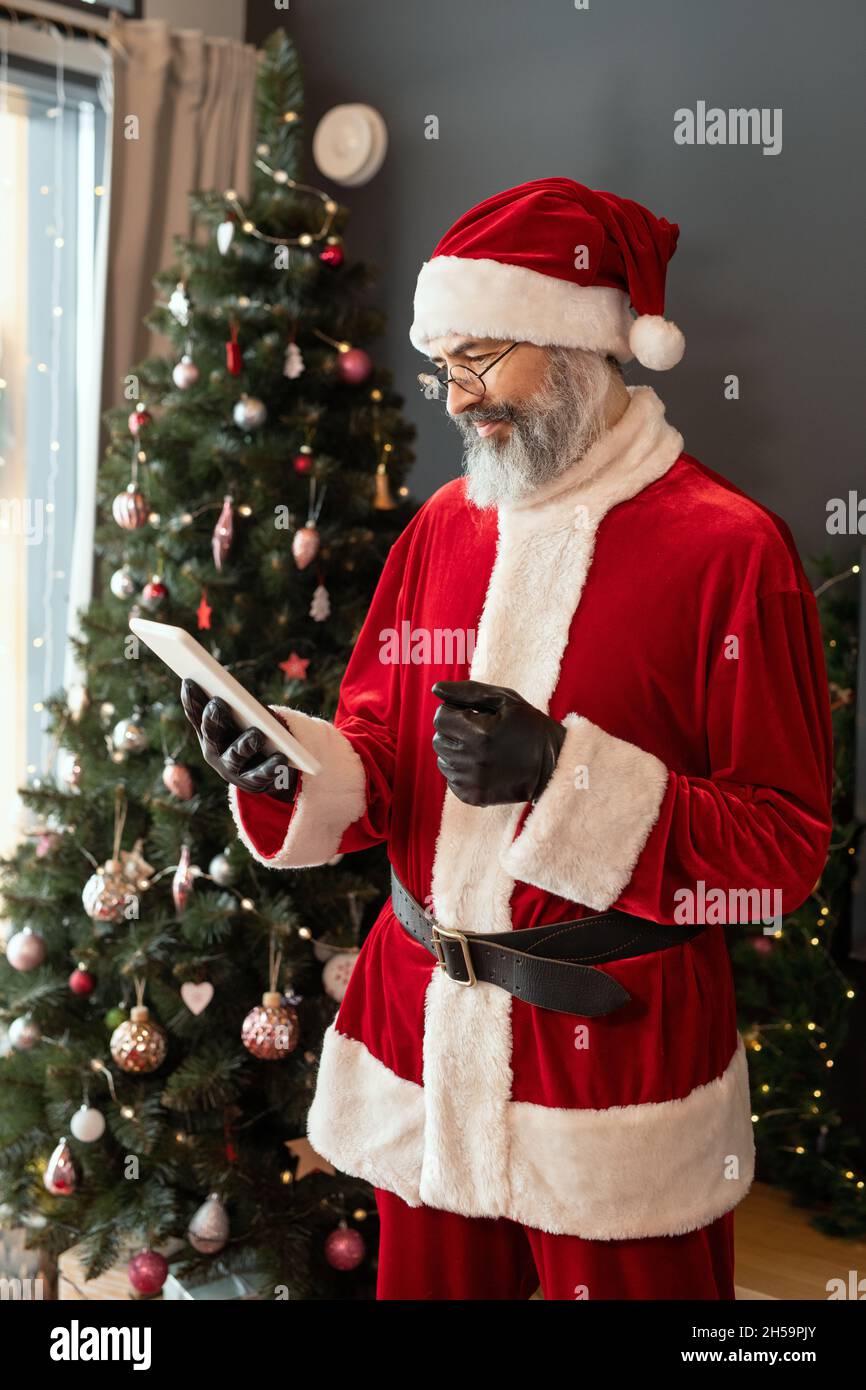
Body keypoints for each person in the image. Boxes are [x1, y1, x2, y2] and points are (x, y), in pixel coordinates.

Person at [181, 177, 834, 1300]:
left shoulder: (730, 550)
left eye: (485, 361)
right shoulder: (442, 524)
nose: (459, 400)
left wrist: (563, 778)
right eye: (447, 369)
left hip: (612, 1072)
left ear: (576, 345)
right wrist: (294, 765)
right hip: (419, 1037)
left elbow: (778, 853)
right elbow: (379, 748)